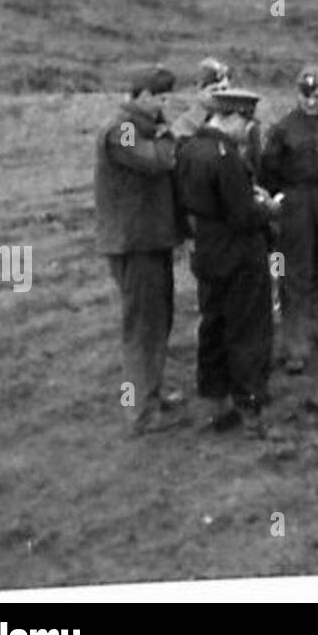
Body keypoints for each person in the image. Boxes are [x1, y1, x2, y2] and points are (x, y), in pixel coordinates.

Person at [176, 89, 281, 438]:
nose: (247, 128)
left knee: (213, 325)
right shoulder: (226, 157)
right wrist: (269, 208)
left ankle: (215, 402)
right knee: (249, 330)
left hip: (206, 251)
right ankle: (251, 405)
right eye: (246, 120)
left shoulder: (190, 149)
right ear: (232, 117)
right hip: (239, 254)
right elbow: (242, 215)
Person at [94, 64, 187, 436]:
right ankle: (138, 410)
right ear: (142, 96)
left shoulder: (141, 128)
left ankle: (151, 394)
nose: (165, 104)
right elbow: (157, 160)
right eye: (160, 97)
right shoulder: (123, 131)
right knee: (141, 332)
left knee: (156, 323)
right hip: (134, 245)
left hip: (150, 240)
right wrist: (171, 135)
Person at [259, 65, 318, 372]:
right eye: (306, 96)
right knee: (295, 271)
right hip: (298, 200)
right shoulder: (283, 128)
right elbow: (268, 167)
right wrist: (280, 197)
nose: (312, 101)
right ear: (298, 94)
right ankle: (295, 342)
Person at [172, 57, 231, 142]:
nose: (200, 75)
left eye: (204, 71)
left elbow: (204, 102)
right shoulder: (207, 90)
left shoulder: (216, 91)